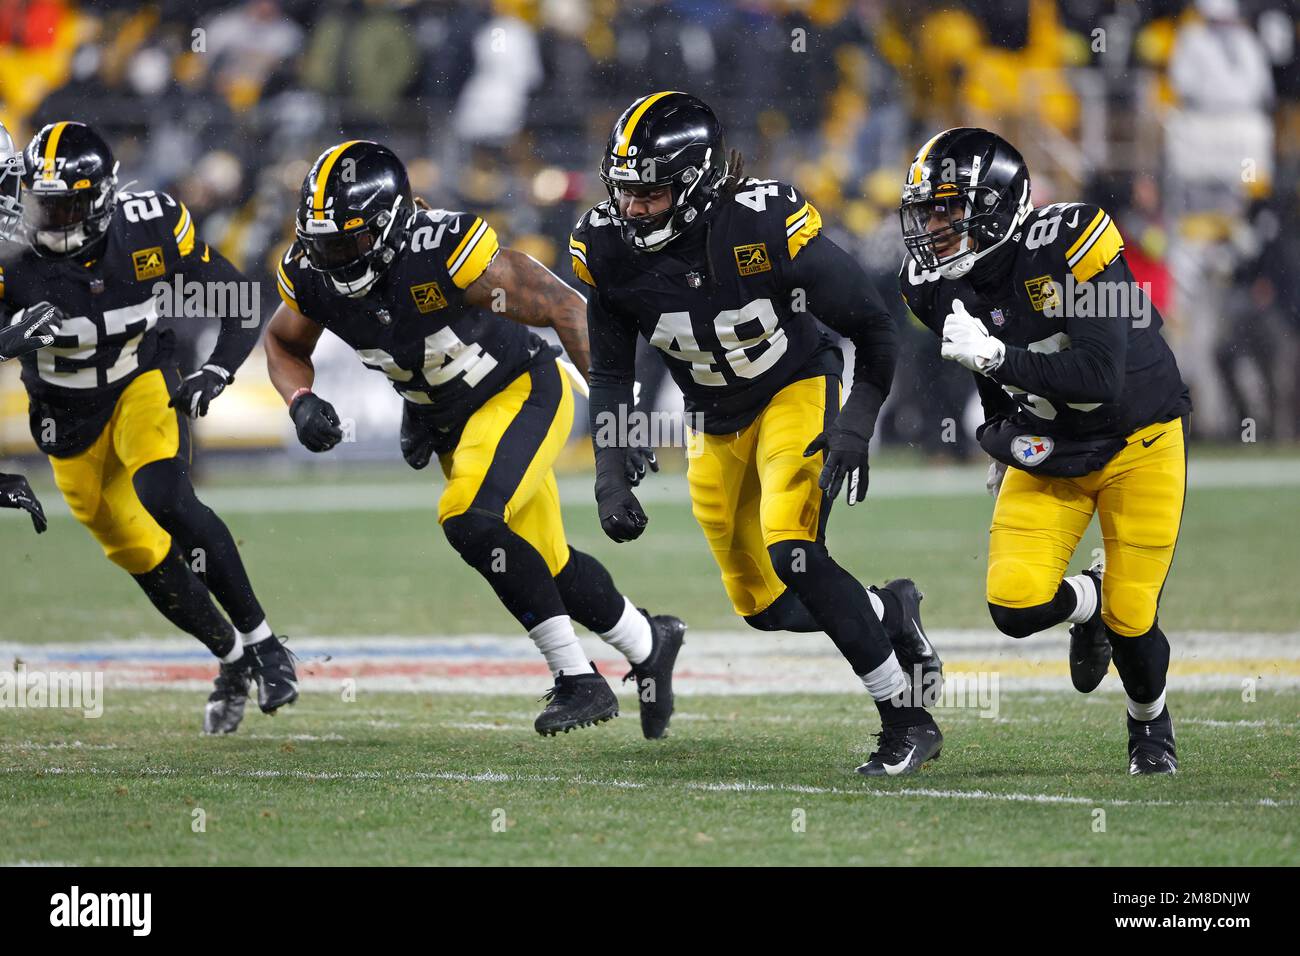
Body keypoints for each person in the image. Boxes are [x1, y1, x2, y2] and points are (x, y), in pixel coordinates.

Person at [573, 91, 944, 777]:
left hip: (792, 388)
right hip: (712, 418)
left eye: (649, 194)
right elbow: (612, 370)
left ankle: (906, 717)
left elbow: (873, 324)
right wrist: (607, 470)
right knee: (764, 605)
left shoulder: (761, 226)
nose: (632, 209)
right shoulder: (606, 247)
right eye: (623, 191)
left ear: (693, 185)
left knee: (794, 549)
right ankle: (889, 609)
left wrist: (857, 424)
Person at [264, 140, 685, 738]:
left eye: (347, 241)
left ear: (388, 225)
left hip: (520, 391)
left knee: (469, 517)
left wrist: (619, 420)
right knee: (546, 565)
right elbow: (284, 344)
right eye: (320, 241)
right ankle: (650, 643)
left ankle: (577, 677)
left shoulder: (442, 253)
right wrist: (300, 400)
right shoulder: (313, 276)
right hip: (452, 423)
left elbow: (568, 308)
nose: (330, 256)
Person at [898, 127, 1191, 775]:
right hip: (1051, 444)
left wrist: (1001, 357)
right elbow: (987, 372)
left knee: (1134, 619)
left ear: (999, 206)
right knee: (1015, 604)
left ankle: (1149, 725)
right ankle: (1087, 599)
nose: (933, 223)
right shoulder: (930, 283)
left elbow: (1098, 376)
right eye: (926, 208)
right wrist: (1006, 434)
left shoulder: (1071, 243)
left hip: (1136, 439)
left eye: (948, 207)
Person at [0, 121, 298, 734]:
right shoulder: (8, 250)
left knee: (165, 495)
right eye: (41, 203)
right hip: (66, 415)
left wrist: (217, 369)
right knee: (134, 547)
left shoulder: (148, 223)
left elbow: (236, 300)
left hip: (141, 378)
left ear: (104, 199)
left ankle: (267, 644)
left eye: (67, 206)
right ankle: (233, 658)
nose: (50, 219)